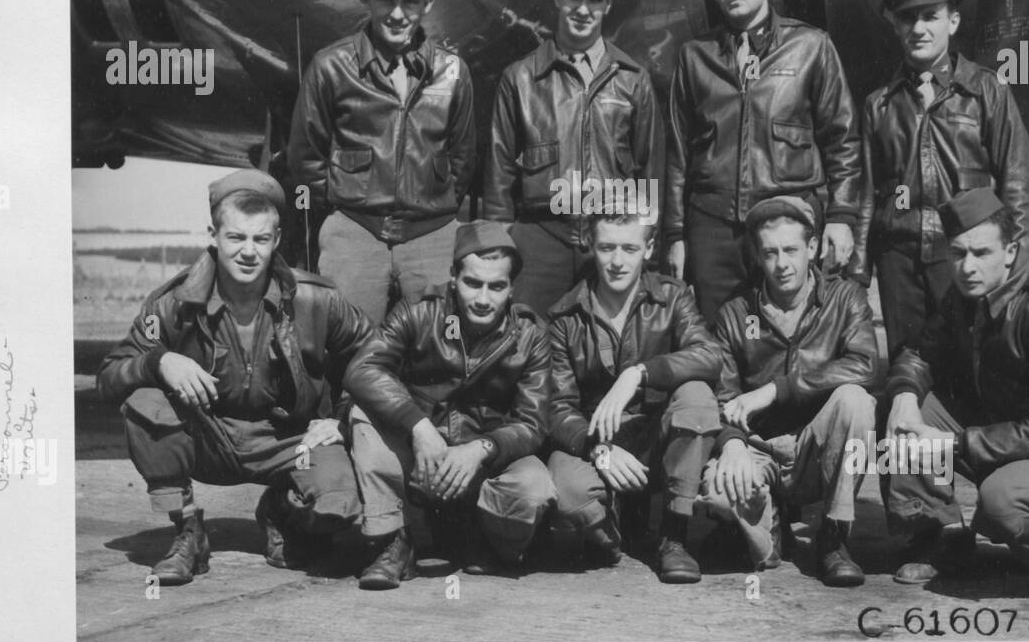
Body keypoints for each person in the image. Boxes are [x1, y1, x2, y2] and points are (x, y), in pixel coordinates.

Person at [95, 169, 401, 586]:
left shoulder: (314, 298)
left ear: (276, 241)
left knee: (339, 507)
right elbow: (110, 376)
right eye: (236, 237)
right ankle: (187, 531)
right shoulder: (172, 305)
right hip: (210, 435)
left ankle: (281, 510)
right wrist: (159, 362)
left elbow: (376, 353)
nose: (248, 252)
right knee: (145, 403)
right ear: (213, 236)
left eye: (260, 239)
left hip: (290, 441)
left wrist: (342, 416)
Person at [883, 189, 1029, 593]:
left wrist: (952, 443)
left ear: (1010, 252)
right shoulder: (963, 299)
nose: (967, 267)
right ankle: (939, 534)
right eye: (958, 254)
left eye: (982, 253)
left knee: (1001, 502)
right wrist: (904, 394)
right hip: (1004, 431)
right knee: (904, 416)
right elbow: (921, 352)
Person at [664, 0, 862, 323]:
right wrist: (674, 235)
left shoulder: (811, 47)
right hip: (714, 228)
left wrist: (842, 216)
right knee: (718, 338)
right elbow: (676, 156)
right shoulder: (693, 58)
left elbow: (843, 141)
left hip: (787, 221)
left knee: (793, 335)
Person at [346, 221, 555, 587]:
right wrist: (418, 427)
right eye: (473, 283)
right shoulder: (417, 311)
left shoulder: (531, 336)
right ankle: (391, 541)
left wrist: (482, 448)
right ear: (453, 276)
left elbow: (533, 423)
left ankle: (482, 536)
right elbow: (363, 369)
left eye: (497, 286)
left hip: (484, 463)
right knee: (361, 412)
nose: (483, 299)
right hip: (420, 456)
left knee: (535, 489)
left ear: (511, 288)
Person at [851, 0, 1029, 362]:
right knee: (907, 364)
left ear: (952, 21)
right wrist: (857, 273)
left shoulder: (987, 90)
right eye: (907, 17)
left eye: (930, 16)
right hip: (897, 258)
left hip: (961, 253)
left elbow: (1019, 182)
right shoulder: (878, 104)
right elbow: (866, 196)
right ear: (895, 25)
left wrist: (1015, 267)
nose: (918, 28)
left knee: (972, 365)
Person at [288, 0, 475, 324]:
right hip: (356, 231)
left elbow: (464, 156)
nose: (396, 13)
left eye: (410, 1)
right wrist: (350, 203)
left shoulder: (453, 71)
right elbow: (306, 157)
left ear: (428, 3)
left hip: (431, 234)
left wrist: (433, 204)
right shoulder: (330, 66)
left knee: (434, 350)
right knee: (348, 347)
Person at [700, 197, 878, 585]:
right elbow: (722, 395)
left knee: (855, 401)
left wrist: (777, 391)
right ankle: (768, 528)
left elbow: (865, 366)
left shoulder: (844, 298)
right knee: (717, 493)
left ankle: (834, 535)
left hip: (815, 449)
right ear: (757, 256)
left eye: (792, 250)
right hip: (758, 448)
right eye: (770, 252)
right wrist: (731, 444)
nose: (782, 264)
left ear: (812, 248)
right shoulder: (736, 313)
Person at [484, 0, 664, 316]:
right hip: (540, 237)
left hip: (608, 236)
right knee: (526, 340)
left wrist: (645, 237)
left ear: (608, 4)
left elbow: (650, 170)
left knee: (607, 345)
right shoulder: (519, 78)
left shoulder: (633, 80)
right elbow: (499, 173)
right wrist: (500, 244)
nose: (583, 9)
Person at [544, 212, 723, 583]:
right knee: (568, 492)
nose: (617, 261)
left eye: (630, 248)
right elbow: (557, 407)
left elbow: (709, 355)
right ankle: (610, 527)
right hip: (600, 444)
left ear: (650, 248)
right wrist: (598, 448)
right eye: (607, 247)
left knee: (698, 397)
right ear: (591, 246)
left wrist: (639, 373)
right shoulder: (565, 316)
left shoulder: (672, 297)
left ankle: (675, 534)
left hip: (657, 441)